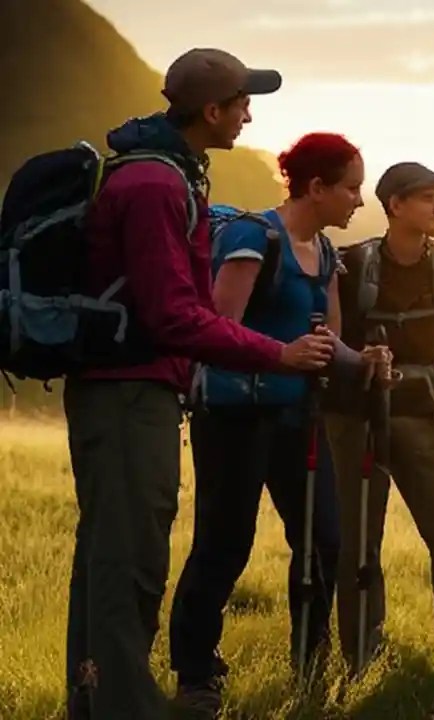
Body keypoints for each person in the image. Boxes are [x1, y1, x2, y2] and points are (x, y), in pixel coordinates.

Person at [60, 49, 337, 720]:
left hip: (133, 389)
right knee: (130, 560)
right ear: (210, 110)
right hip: (130, 393)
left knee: (109, 554)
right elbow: (174, 314)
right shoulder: (156, 185)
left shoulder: (167, 174)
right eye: (242, 102)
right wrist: (278, 354)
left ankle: (93, 699)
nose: (248, 114)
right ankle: (125, 706)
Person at [167, 132, 392, 713]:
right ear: (315, 187)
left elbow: (327, 342)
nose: (358, 201)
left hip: (299, 416)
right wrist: (283, 354)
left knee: (324, 543)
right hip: (236, 416)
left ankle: (309, 666)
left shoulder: (327, 254)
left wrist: (361, 360)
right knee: (225, 543)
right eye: (350, 188)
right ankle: (196, 675)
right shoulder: (253, 237)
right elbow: (218, 327)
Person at [323, 161, 434, 680]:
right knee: (357, 548)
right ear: (395, 206)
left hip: (421, 420)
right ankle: (361, 661)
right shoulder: (351, 266)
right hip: (354, 421)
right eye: (427, 198)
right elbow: (330, 339)